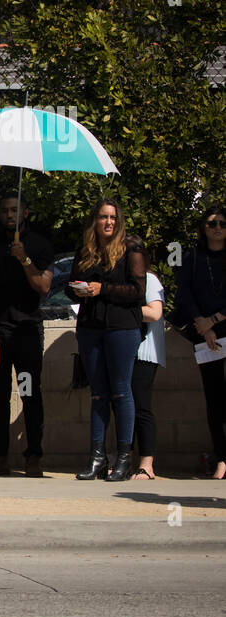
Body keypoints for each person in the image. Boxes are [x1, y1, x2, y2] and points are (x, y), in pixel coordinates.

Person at [66, 198, 147, 482]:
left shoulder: (131, 247)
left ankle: (124, 457)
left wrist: (103, 289)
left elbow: (138, 291)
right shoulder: (86, 250)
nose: (108, 222)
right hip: (90, 326)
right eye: (103, 217)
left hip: (122, 327)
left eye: (113, 217)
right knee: (98, 392)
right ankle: (97, 457)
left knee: (121, 391)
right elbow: (69, 286)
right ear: (95, 221)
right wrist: (78, 290)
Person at [0, 195, 55, 477]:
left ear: (26, 212)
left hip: (26, 332)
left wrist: (24, 259)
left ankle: (33, 455)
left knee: (28, 393)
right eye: (5, 210)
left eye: (14, 210)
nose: (9, 215)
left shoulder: (39, 244)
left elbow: (43, 287)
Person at [173, 205, 226, 480]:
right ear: (203, 228)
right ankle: (222, 458)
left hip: (219, 326)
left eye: (222, 223)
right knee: (214, 398)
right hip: (205, 335)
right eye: (211, 223)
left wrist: (214, 319)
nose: (217, 228)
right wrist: (202, 325)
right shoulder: (192, 257)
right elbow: (184, 293)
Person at [129, 236, 164, 480]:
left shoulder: (149, 279)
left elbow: (154, 312)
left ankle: (146, 464)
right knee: (123, 406)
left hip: (144, 352)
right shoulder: (123, 280)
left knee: (141, 406)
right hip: (124, 350)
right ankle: (124, 459)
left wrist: (121, 309)